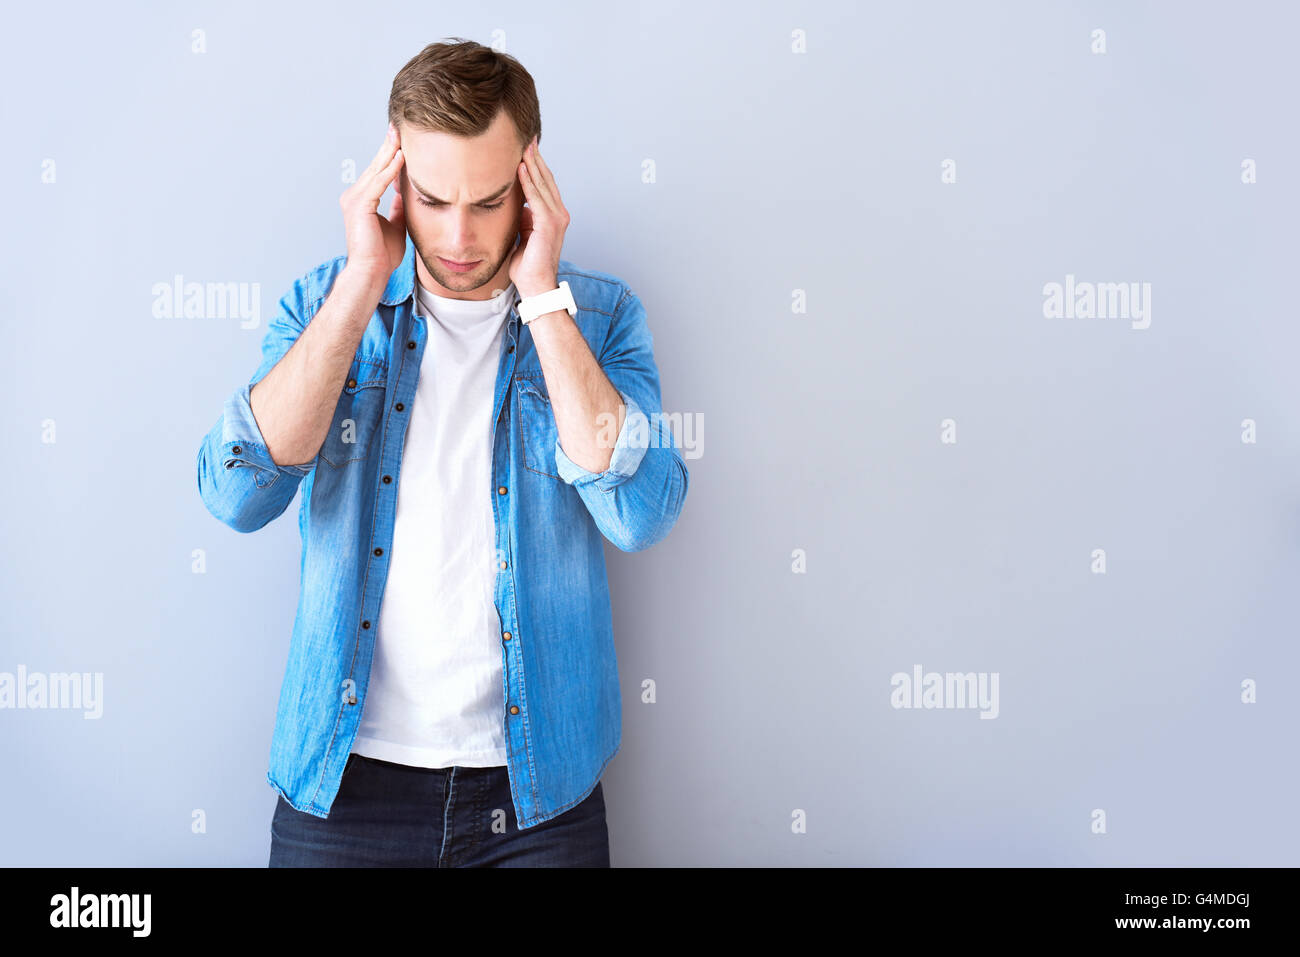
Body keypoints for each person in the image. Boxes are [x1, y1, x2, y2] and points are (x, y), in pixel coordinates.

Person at [195, 38, 689, 867]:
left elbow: (640, 513)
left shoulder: (599, 319)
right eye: (432, 199)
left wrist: (542, 299)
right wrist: (361, 283)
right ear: (393, 183)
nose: (458, 235)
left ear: (532, 180)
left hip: (539, 797)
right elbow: (238, 496)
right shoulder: (323, 303)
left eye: (490, 201)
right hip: (344, 787)